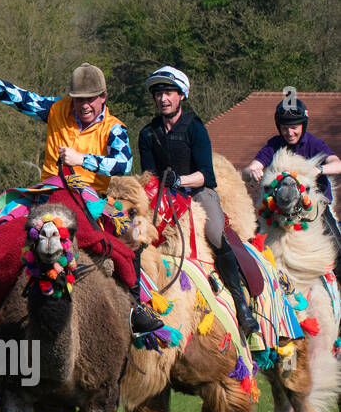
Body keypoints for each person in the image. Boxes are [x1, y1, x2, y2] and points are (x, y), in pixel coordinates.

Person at [0, 61, 161, 336]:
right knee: (1, 237)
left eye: (91, 99)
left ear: (103, 97)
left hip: (91, 201)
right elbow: (20, 98)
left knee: (130, 238)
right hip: (47, 196)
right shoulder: (57, 108)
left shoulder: (114, 128)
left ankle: (136, 308)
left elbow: (124, 164)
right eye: (79, 99)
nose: (84, 105)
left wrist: (84, 160)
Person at [140, 66, 257, 335]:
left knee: (216, 234)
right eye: (158, 94)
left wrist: (179, 181)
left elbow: (206, 174)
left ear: (182, 95)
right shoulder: (147, 133)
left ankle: (242, 306)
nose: (163, 98)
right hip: (162, 196)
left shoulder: (195, 128)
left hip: (197, 192)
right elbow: (148, 175)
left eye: (169, 92)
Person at [244, 96, 341, 240]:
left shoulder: (314, 143)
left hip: (315, 206)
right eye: (284, 128)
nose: (289, 133)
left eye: (294, 127)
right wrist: (253, 171)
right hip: (278, 207)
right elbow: (247, 171)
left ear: (303, 125)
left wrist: (318, 170)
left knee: (336, 241)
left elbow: (338, 164)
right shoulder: (274, 145)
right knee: (255, 239)